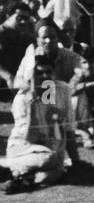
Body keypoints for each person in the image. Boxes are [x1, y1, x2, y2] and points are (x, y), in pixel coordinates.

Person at [3, 58, 80, 194]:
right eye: (40, 73)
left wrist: (76, 161)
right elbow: (30, 138)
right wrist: (33, 108)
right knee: (49, 159)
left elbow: (66, 128)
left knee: (52, 175)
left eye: (48, 72)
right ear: (32, 77)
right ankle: (5, 164)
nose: (45, 76)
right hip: (24, 147)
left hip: (48, 149)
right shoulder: (22, 98)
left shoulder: (61, 89)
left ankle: (21, 178)